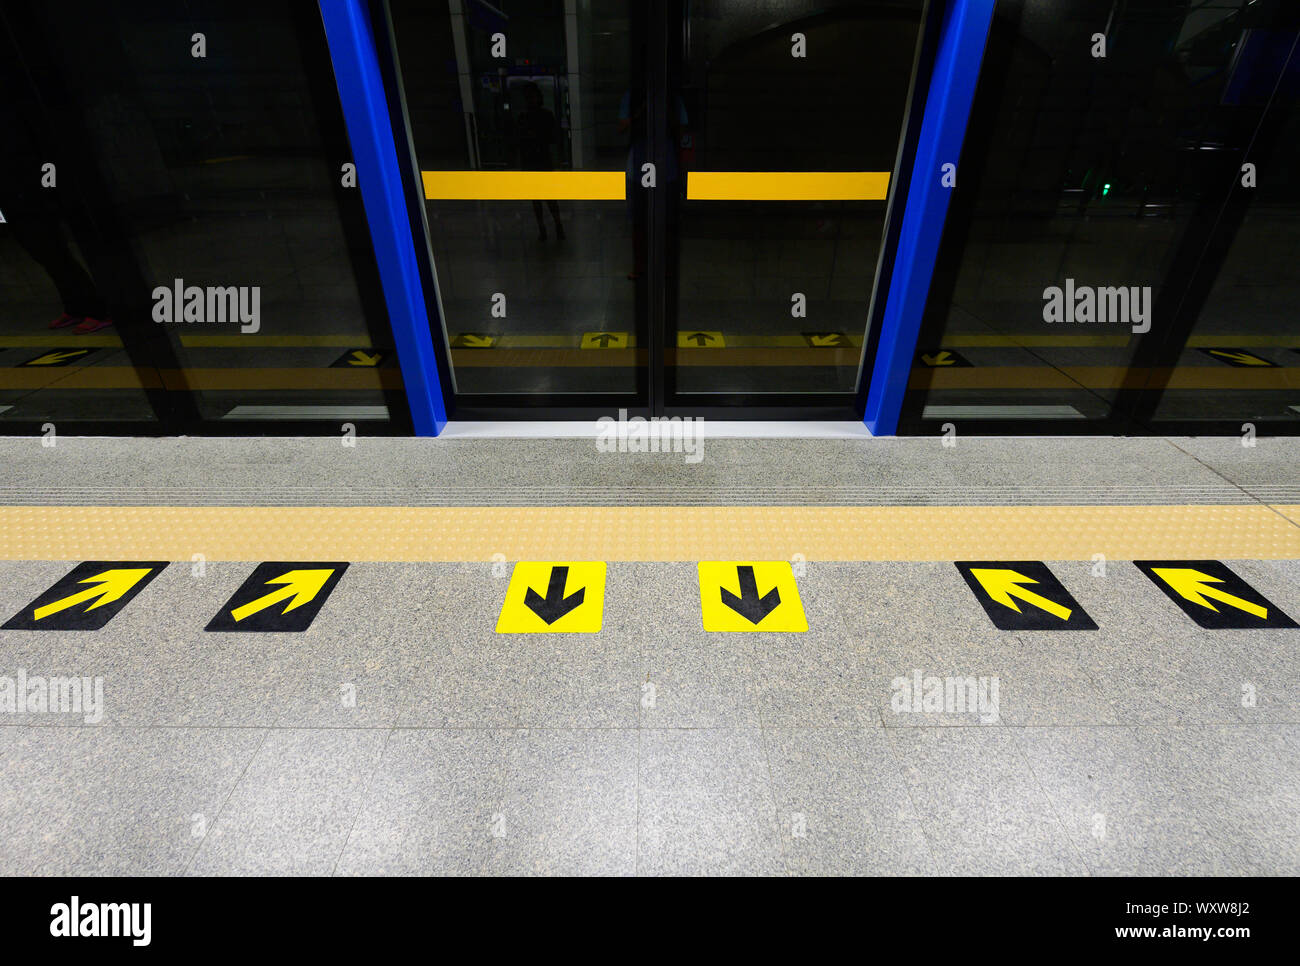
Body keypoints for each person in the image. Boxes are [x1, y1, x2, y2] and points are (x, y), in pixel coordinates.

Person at [515, 82, 564, 242]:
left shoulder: (537, 116)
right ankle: (549, 227)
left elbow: (552, 138)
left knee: (547, 198)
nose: (531, 99)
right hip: (536, 162)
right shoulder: (531, 116)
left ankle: (553, 226)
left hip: (540, 162)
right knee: (539, 199)